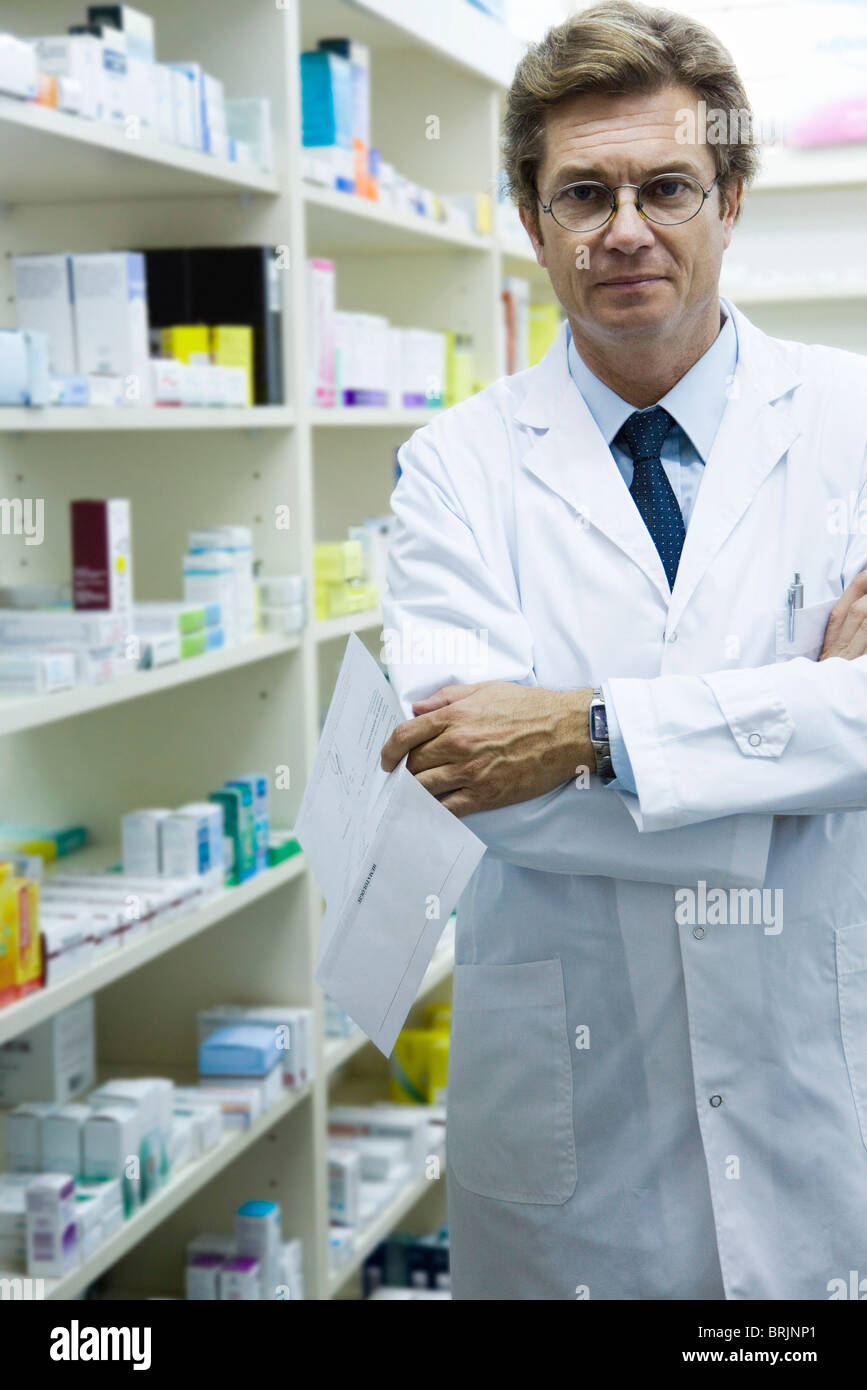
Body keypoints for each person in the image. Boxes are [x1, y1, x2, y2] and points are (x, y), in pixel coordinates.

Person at [379, 0, 867, 1300]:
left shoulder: (855, 420)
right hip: (579, 1127)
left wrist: (587, 732)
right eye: (582, 193)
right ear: (531, 217)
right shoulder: (452, 470)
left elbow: (539, 759)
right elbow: (477, 774)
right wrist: (811, 731)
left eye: (666, 186)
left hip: (817, 1083)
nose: (626, 229)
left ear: (733, 196)